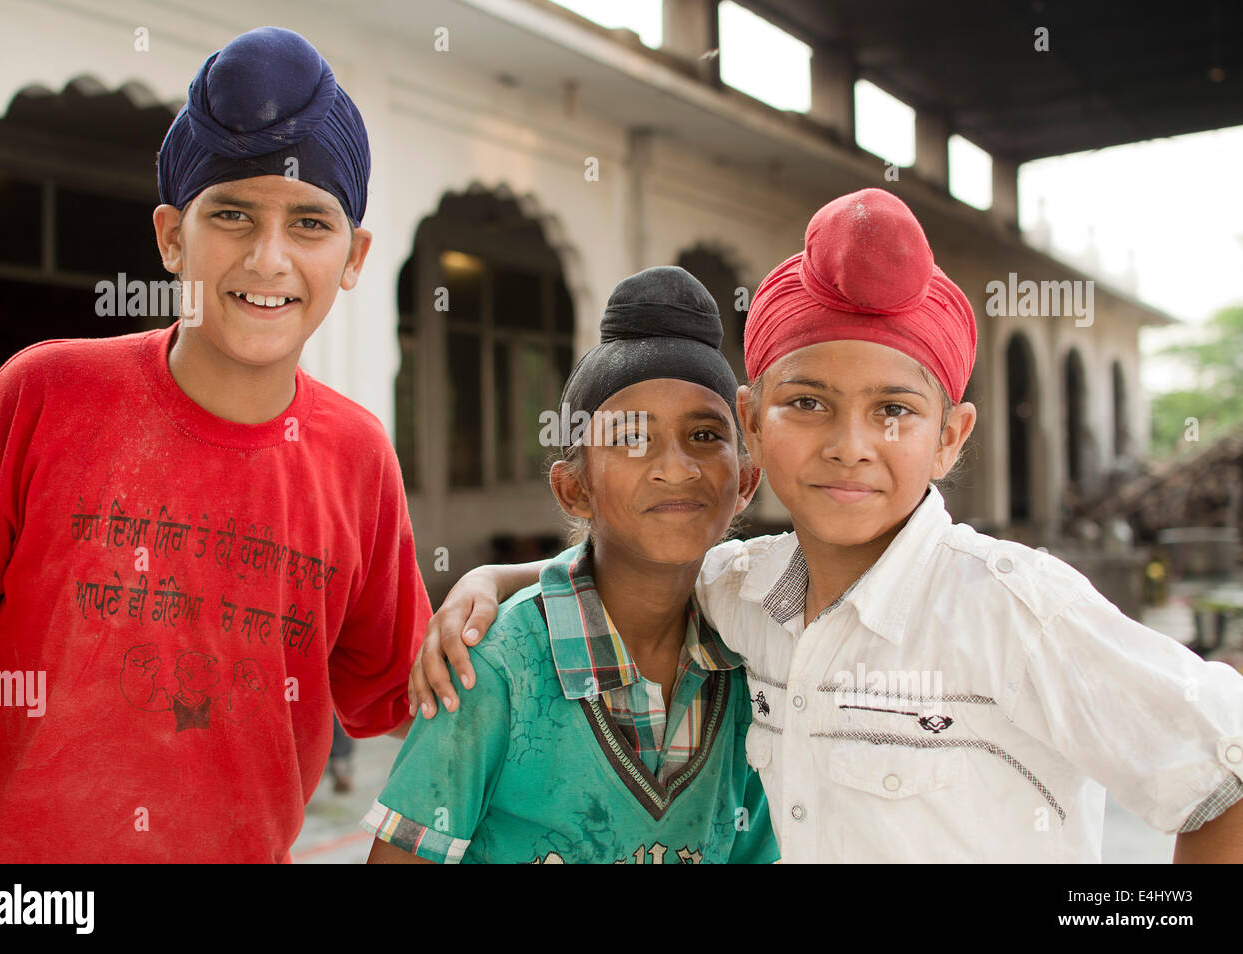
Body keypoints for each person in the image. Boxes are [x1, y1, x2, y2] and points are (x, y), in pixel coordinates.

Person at [408, 188, 1243, 863]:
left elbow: (1225, 780)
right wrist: (496, 583)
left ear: (950, 438)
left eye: (894, 411)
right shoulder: (748, 595)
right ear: (754, 427)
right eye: (807, 403)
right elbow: (634, 564)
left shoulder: (1014, 611)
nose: (850, 448)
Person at [0, 26, 431, 862]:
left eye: (309, 223)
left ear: (354, 257)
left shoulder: (358, 458)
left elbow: (410, 698)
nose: (268, 258)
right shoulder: (40, 397)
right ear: (172, 236)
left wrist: (504, 583)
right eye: (232, 214)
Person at [365, 267, 778, 863]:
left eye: (706, 434)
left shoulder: (751, 664)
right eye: (631, 436)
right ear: (573, 491)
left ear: (745, 481)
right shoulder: (493, 667)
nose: (675, 466)